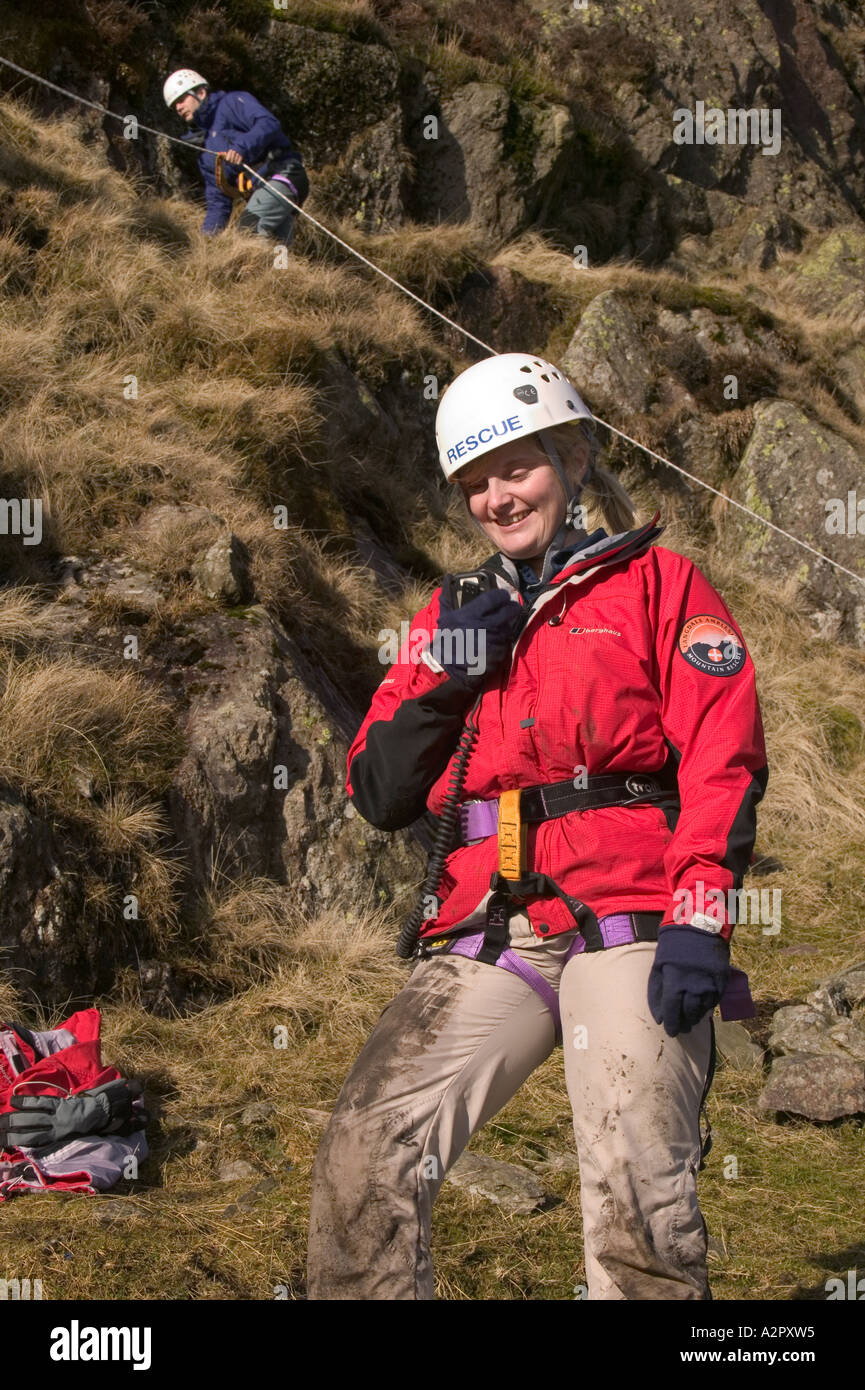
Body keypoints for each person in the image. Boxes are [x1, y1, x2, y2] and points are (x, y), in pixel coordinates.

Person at [306, 352, 768, 1300]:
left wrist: (700, 917)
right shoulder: (450, 617)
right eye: (473, 484)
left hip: (633, 917)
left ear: (571, 457)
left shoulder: (661, 585)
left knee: (635, 1177)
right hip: (490, 927)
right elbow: (379, 791)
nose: (496, 499)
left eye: (515, 468)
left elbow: (722, 758)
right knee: (364, 1150)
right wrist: (449, 674)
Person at [162, 68, 309, 242]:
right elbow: (218, 202)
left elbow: (268, 123)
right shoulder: (205, 152)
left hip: (283, 174)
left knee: (249, 231)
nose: (178, 108)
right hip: (263, 192)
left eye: (181, 99)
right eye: (174, 105)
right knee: (277, 249)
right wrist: (207, 242)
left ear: (200, 92)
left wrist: (241, 148)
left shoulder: (231, 103)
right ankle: (282, 269)